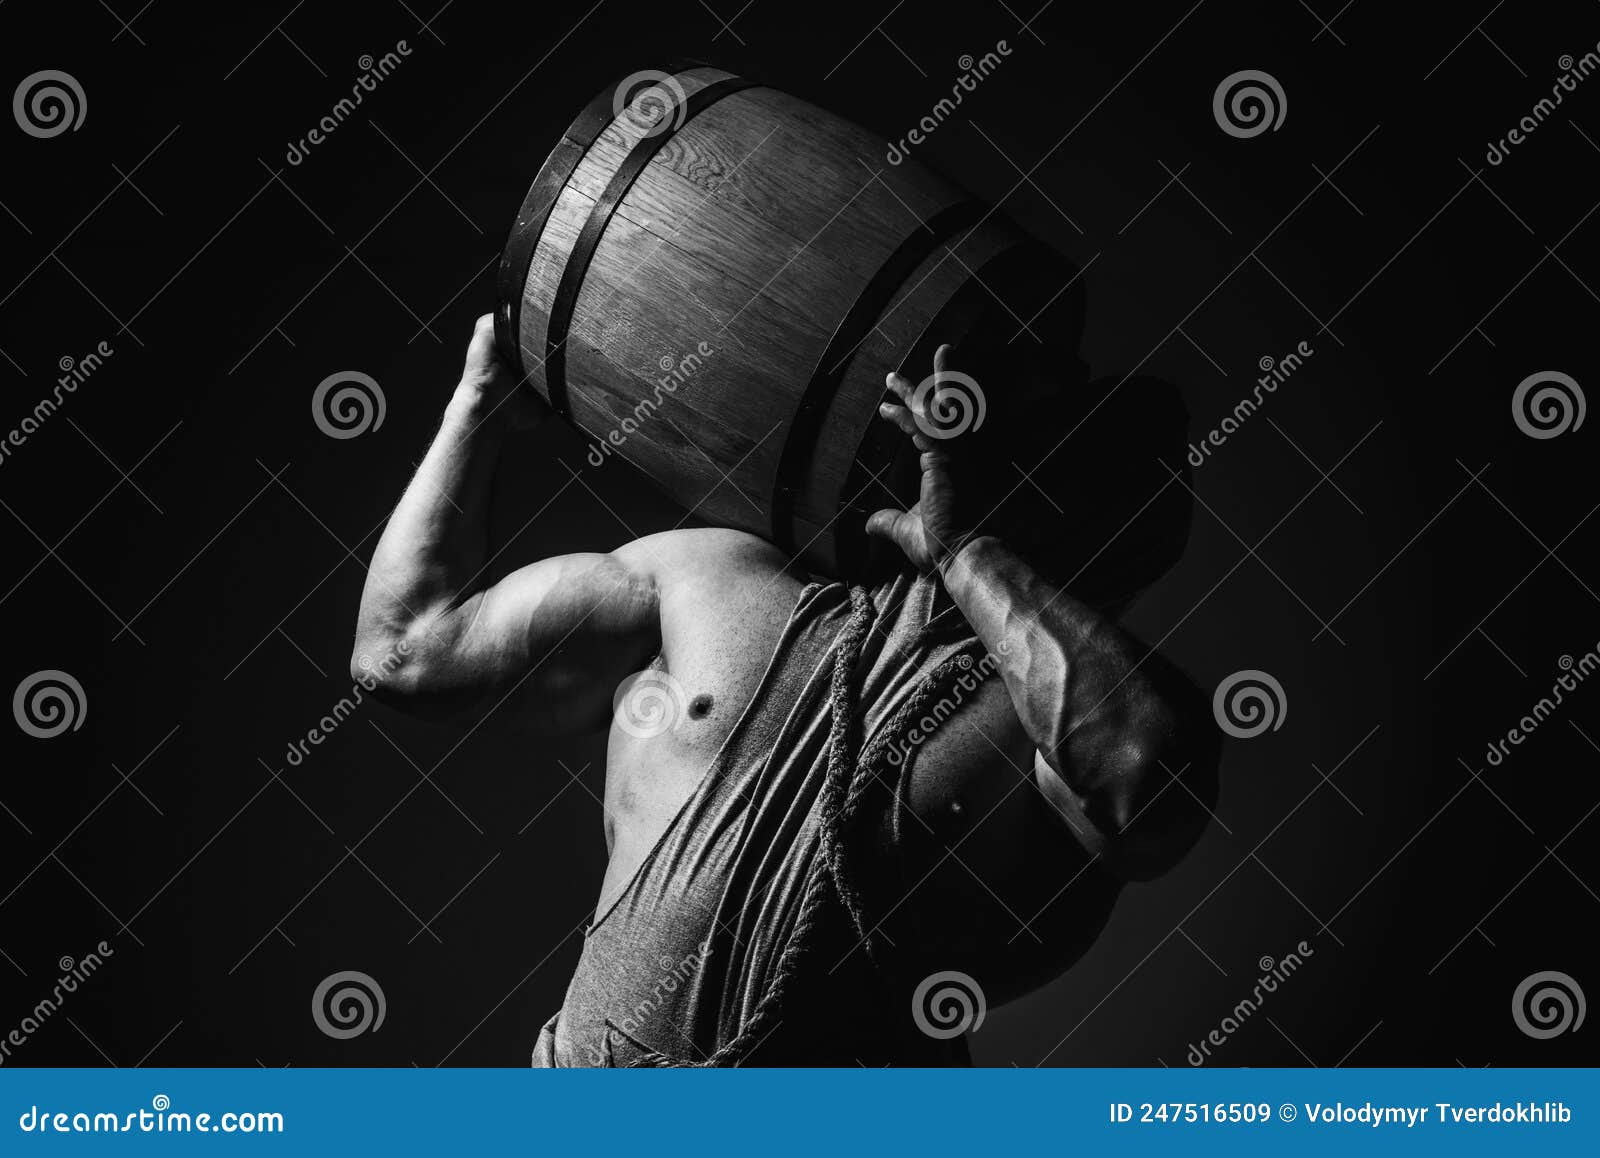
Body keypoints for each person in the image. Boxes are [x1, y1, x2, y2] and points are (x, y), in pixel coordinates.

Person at [350, 314, 1221, 1065]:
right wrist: (480, 404)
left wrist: (970, 555)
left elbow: (1142, 785)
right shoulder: (711, 580)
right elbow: (407, 653)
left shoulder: (1079, 734)